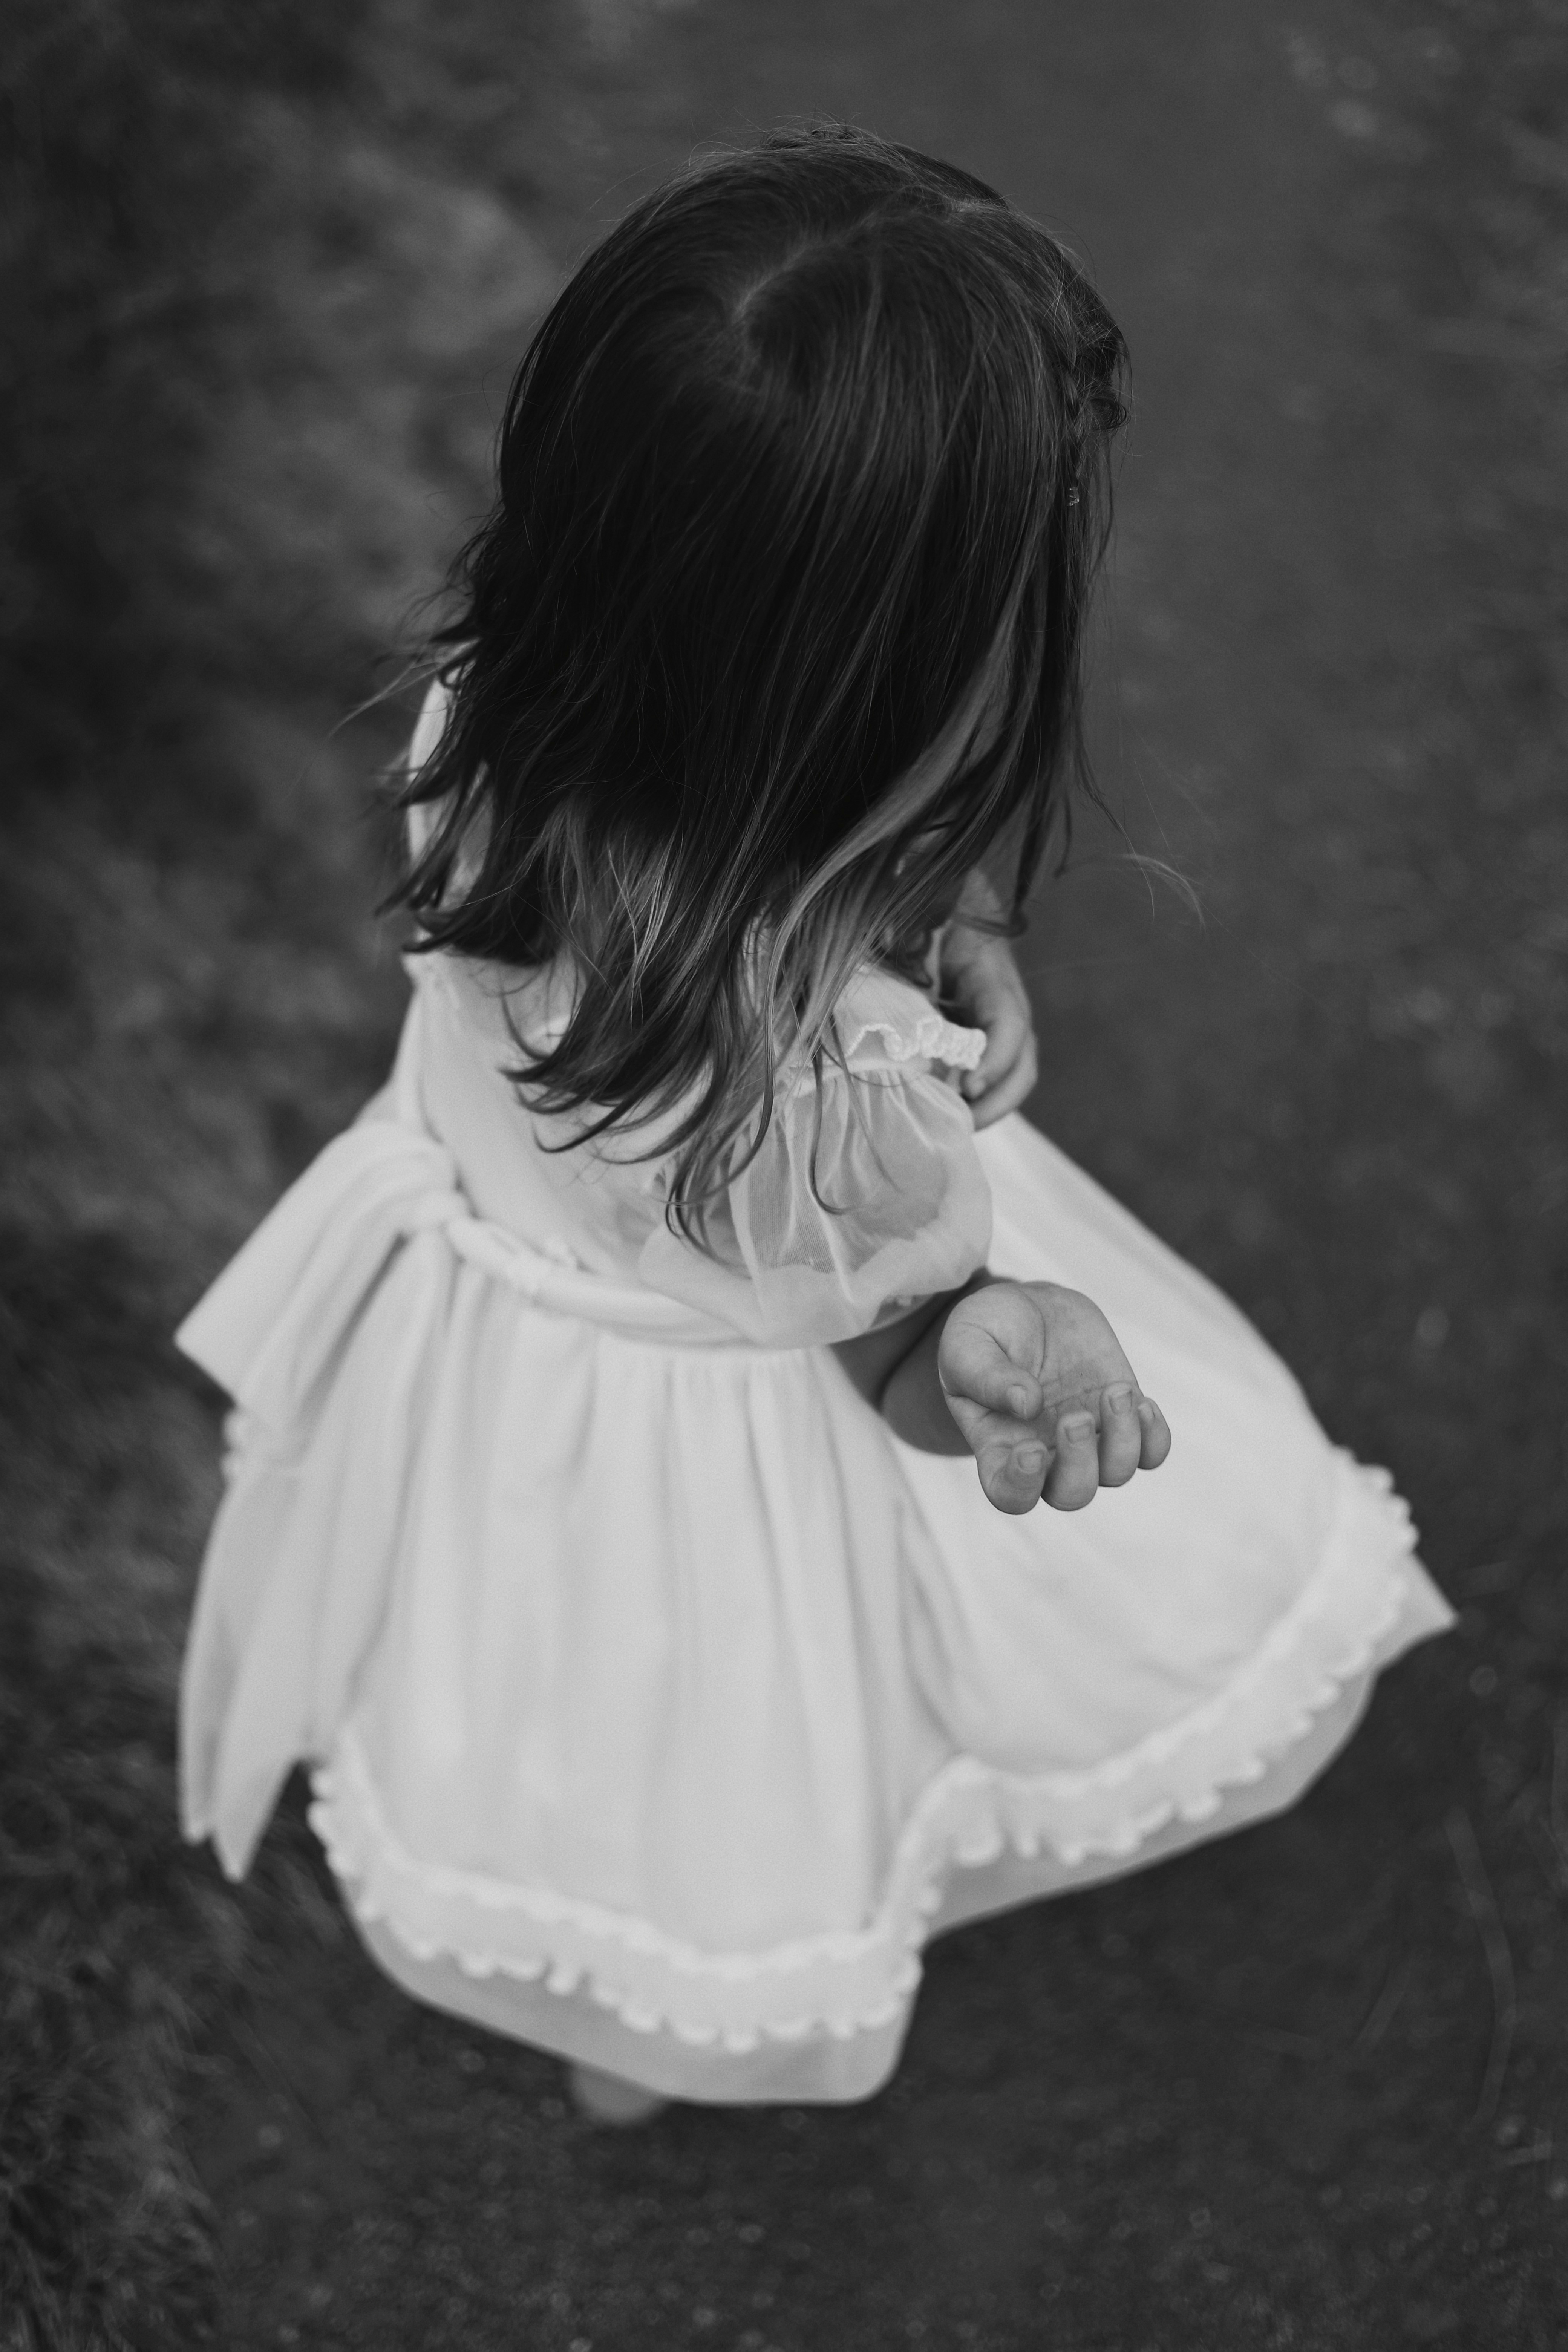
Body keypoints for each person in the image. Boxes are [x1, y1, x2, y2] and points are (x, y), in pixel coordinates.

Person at [175, 121, 1452, 2127]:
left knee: (550, 1681)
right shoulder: (817, 1086)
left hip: (508, 1371)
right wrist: (987, 1341)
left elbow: (795, 833)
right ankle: (687, 1995)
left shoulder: (499, 714)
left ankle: (613, 1979)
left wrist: (935, 905)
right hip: (716, 1443)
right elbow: (878, 1354)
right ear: (855, 703)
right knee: (727, 1720)